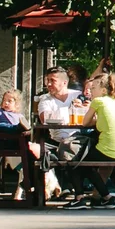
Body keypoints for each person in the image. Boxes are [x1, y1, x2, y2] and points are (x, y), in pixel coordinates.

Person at [66, 72, 115, 210]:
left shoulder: (98, 101)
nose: (90, 90)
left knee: (74, 162)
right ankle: (105, 197)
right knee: (86, 163)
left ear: (103, 90)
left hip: (108, 149)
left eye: (93, 88)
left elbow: (84, 123)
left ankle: (80, 198)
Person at [36, 67, 82, 199]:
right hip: (57, 141)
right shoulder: (45, 99)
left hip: (79, 138)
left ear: (64, 82)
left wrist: (85, 106)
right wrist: (67, 111)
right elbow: (44, 118)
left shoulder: (78, 95)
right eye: (47, 80)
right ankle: (70, 189)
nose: (48, 84)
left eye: (52, 80)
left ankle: (72, 188)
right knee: (63, 149)